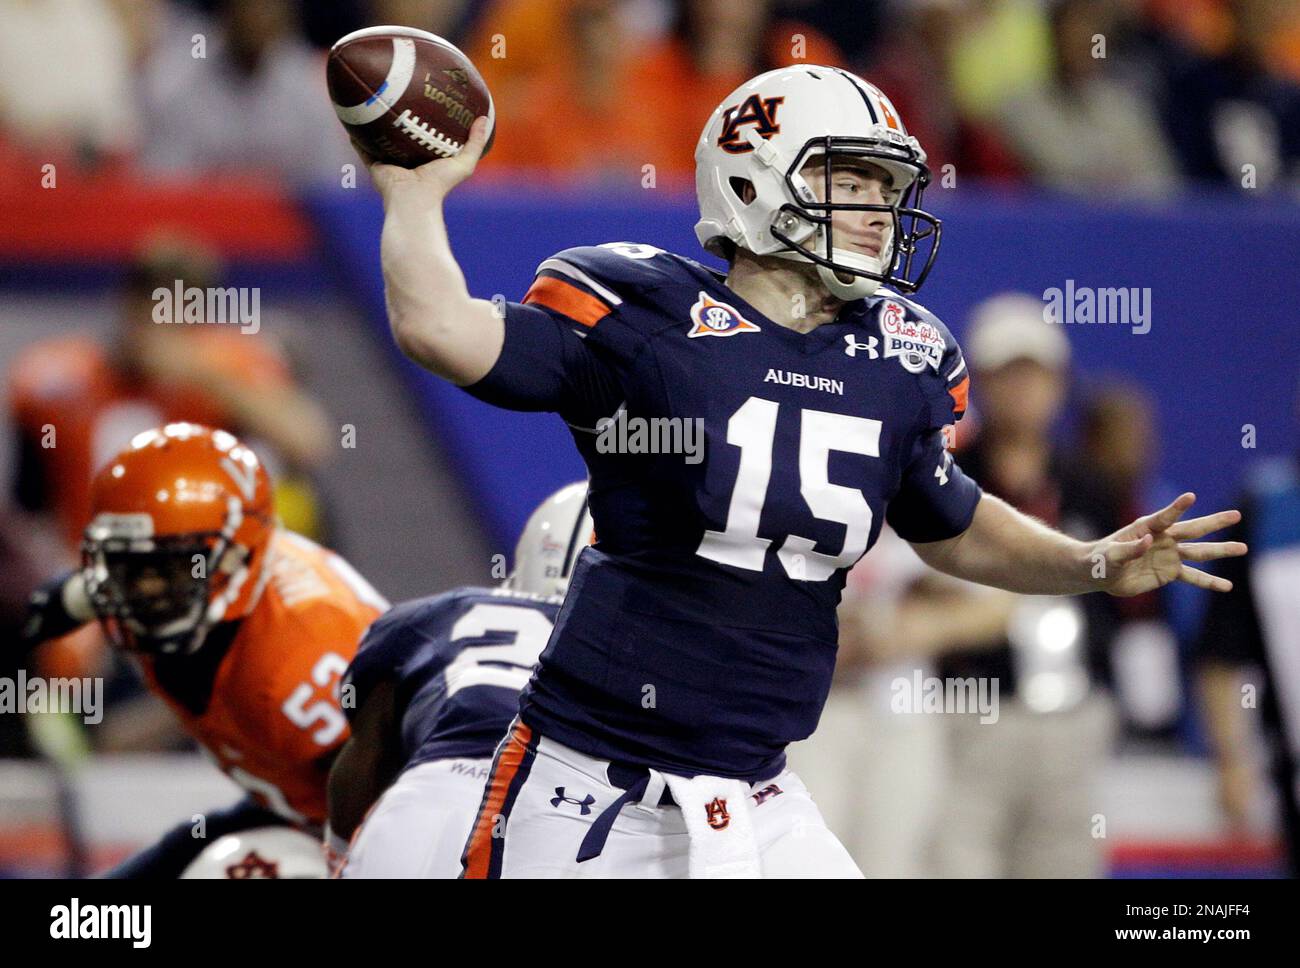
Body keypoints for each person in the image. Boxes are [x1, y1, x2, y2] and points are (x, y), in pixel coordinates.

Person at [360, 64, 1245, 878]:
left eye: (887, 190)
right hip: (592, 780)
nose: (876, 212)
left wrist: (1091, 563)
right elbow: (442, 329)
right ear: (750, 180)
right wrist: (413, 191)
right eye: (849, 183)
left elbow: (954, 521)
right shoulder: (647, 313)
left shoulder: (899, 355)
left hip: (760, 793)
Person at [19, 424, 387, 877]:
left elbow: (398, 813)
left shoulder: (301, 649)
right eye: (128, 565)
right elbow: (51, 605)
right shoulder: (163, 584)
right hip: (290, 806)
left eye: (167, 568)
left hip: (368, 830)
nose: (145, 590)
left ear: (236, 556)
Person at [327, 482, 592, 877]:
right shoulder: (642, 655)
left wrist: (338, 854)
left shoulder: (434, 617)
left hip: (420, 807)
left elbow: (364, 759)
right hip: (552, 820)